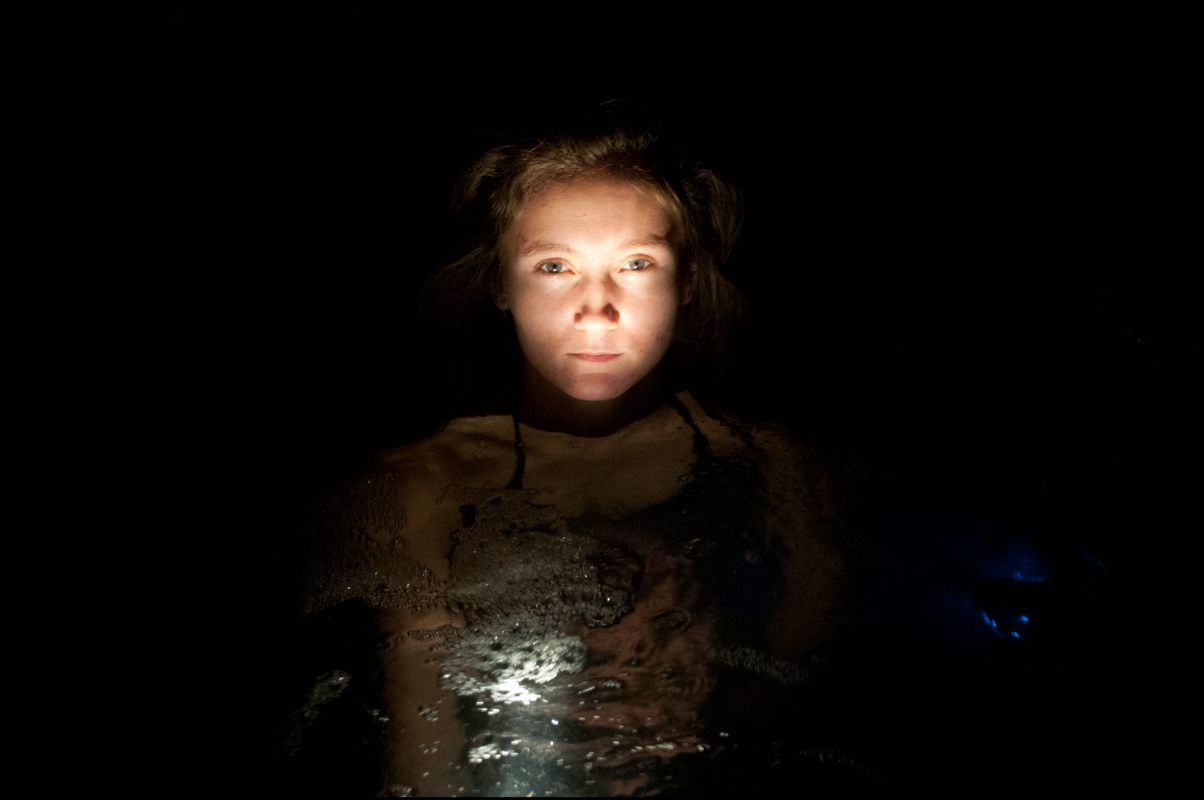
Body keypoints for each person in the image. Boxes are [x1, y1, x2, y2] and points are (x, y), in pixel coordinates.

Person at [289, 113, 854, 797]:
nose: (596, 309)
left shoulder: (775, 468)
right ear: (502, 284)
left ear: (688, 282)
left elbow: (801, 670)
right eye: (554, 267)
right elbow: (422, 741)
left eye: (636, 264)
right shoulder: (421, 485)